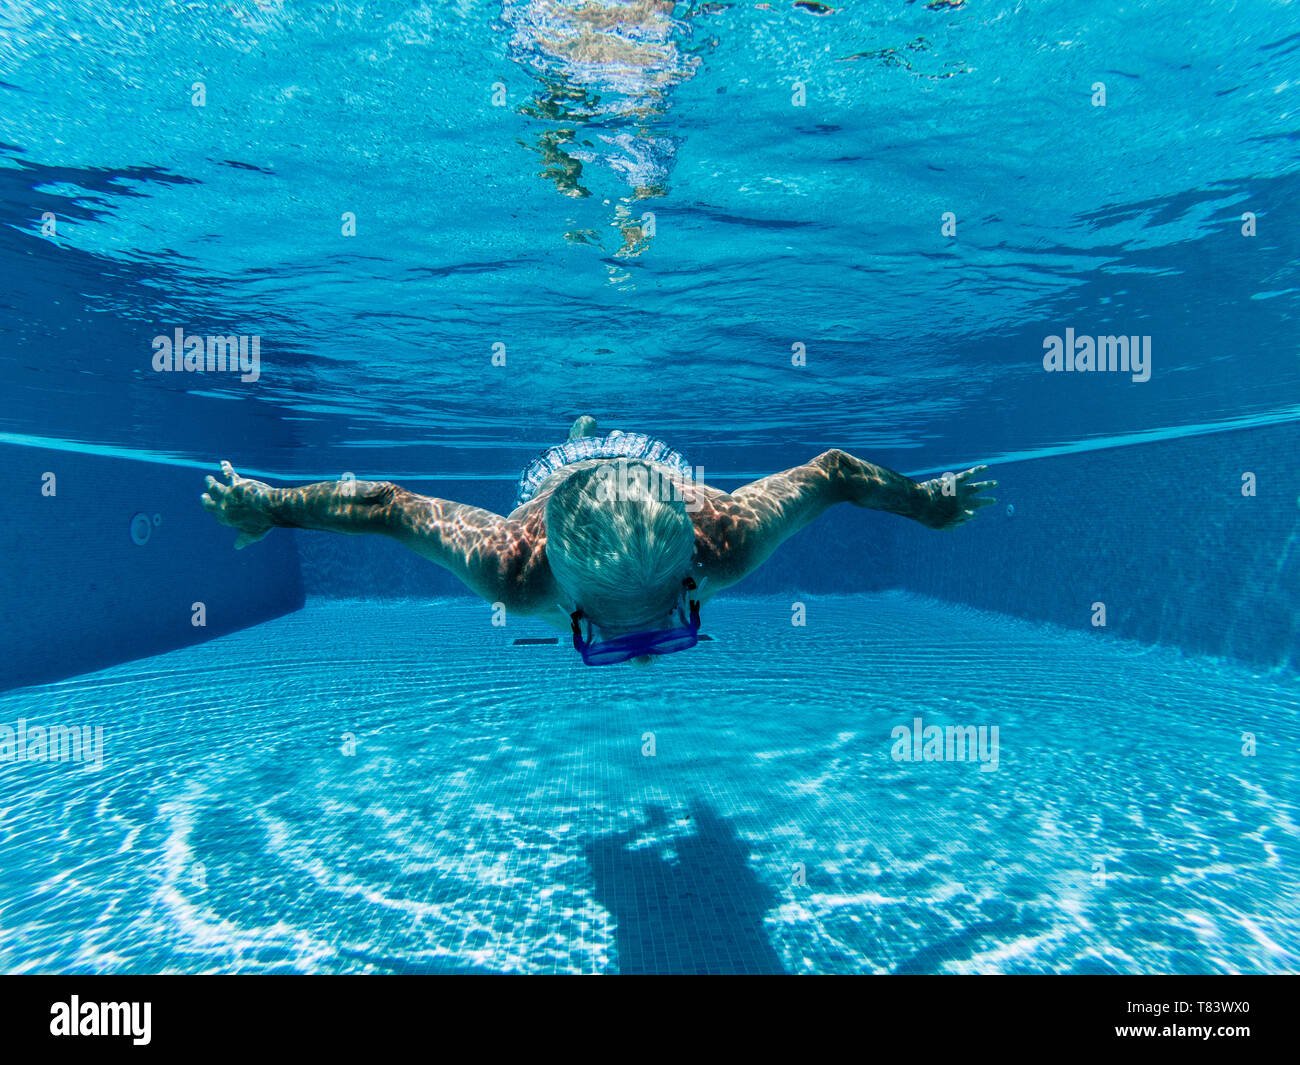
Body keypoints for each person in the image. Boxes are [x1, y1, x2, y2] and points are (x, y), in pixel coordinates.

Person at [202, 415, 996, 666]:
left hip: (660, 482)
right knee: (571, 448)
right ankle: (580, 435)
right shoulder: (517, 565)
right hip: (559, 494)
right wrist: (269, 506)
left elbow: (832, 471)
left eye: (672, 622)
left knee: (607, 450)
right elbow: (386, 504)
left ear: (694, 570)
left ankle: (590, 435)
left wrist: (922, 503)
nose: (647, 652)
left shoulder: (724, 537)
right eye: (617, 640)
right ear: (565, 602)